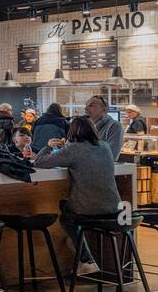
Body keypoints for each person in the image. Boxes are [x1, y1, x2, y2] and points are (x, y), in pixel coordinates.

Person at [33, 116, 121, 264]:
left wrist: (48, 146)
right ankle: (80, 249)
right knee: (66, 207)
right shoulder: (104, 146)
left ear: (72, 131)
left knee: (66, 216)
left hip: (88, 210)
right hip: (114, 208)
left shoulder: (73, 149)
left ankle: (86, 258)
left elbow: (40, 162)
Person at [84, 95, 123, 160]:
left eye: (91, 105)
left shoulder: (114, 126)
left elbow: (111, 155)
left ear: (104, 109)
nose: (86, 108)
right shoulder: (86, 126)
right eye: (86, 105)